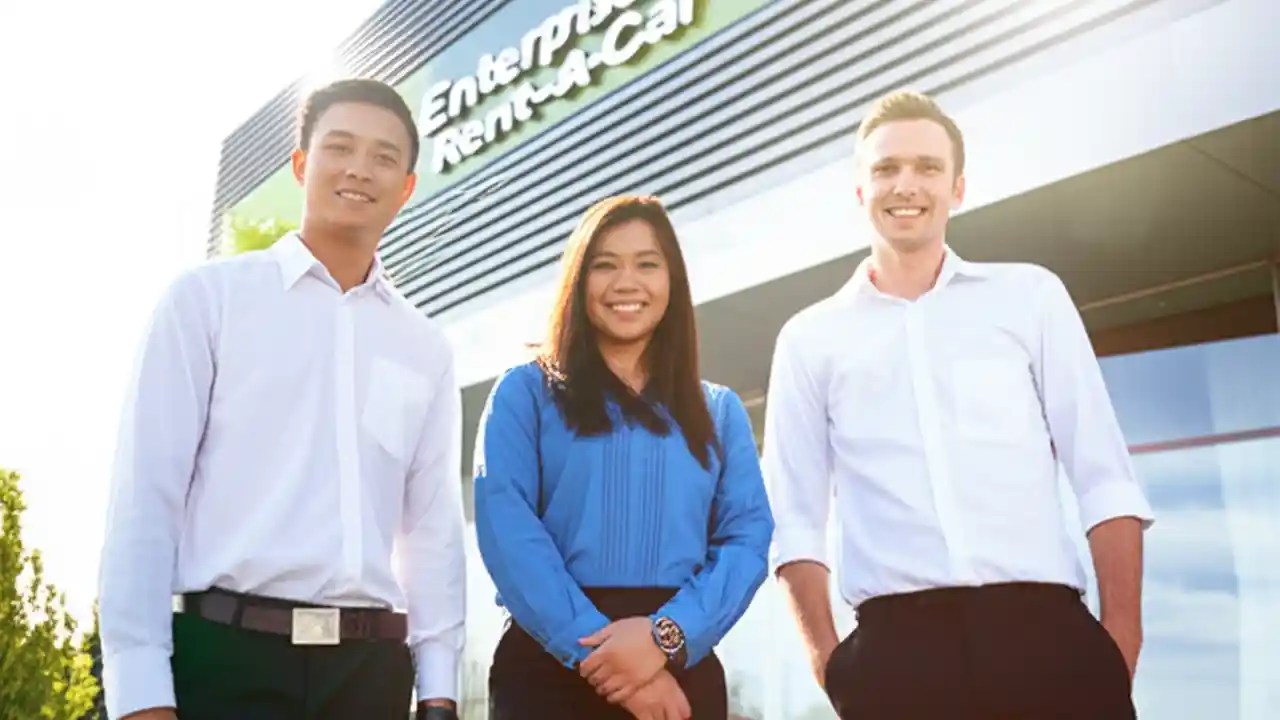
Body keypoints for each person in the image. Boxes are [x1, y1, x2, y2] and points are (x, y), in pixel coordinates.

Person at [763, 90, 1155, 719]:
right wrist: (831, 666)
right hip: (896, 664)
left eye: (927, 167)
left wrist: (1120, 645)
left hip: (1052, 644)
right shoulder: (810, 339)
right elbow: (795, 521)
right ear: (860, 191)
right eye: (886, 169)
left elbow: (1104, 477)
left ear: (959, 188)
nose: (906, 185)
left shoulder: (1030, 297)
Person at [98, 78, 466, 720]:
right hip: (224, 659)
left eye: (384, 157)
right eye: (340, 147)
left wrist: (439, 691)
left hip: (368, 677)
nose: (359, 169)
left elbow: (432, 528)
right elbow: (145, 497)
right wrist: (140, 691)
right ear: (301, 164)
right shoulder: (207, 302)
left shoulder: (423, 346)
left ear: (407, 187)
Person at [472, 195, 774, 719]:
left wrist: (664, 638)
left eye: (647, 264)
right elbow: (508, 530)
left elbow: (746, 540)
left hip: (680, 667)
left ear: (672, 281)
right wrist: (606, 657)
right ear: (577, 281)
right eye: (605, 265)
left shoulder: (719, 410)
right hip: (548, 667)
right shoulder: (524, 394)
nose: (626, 283)